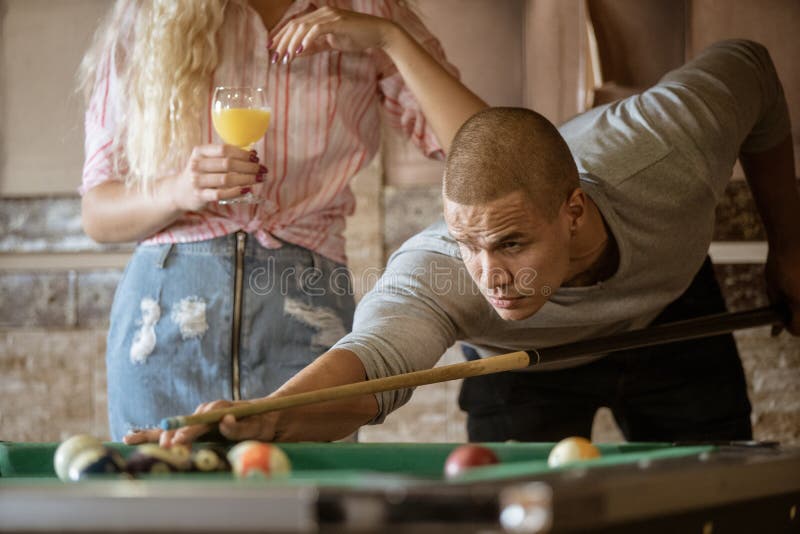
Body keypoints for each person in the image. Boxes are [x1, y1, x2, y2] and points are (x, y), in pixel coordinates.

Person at [128, 39, 799, 447]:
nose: (489, 275)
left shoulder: (665, 144)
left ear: (573, 211)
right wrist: (269, 417)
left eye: (510, 244)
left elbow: (753, 67)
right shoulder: (446, 270)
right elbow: (373, 362)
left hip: (673, 320)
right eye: (468, 244)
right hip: (519, 367)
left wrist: (790, 246)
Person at [79, 0, 486, 441]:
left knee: (303, 499)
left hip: (308, 306)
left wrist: (390, 37)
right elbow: (97, 214)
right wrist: (178, 189)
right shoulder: (151, 14)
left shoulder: (367, 10)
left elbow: (487, 154)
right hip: (159, 318)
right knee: (164, 497)